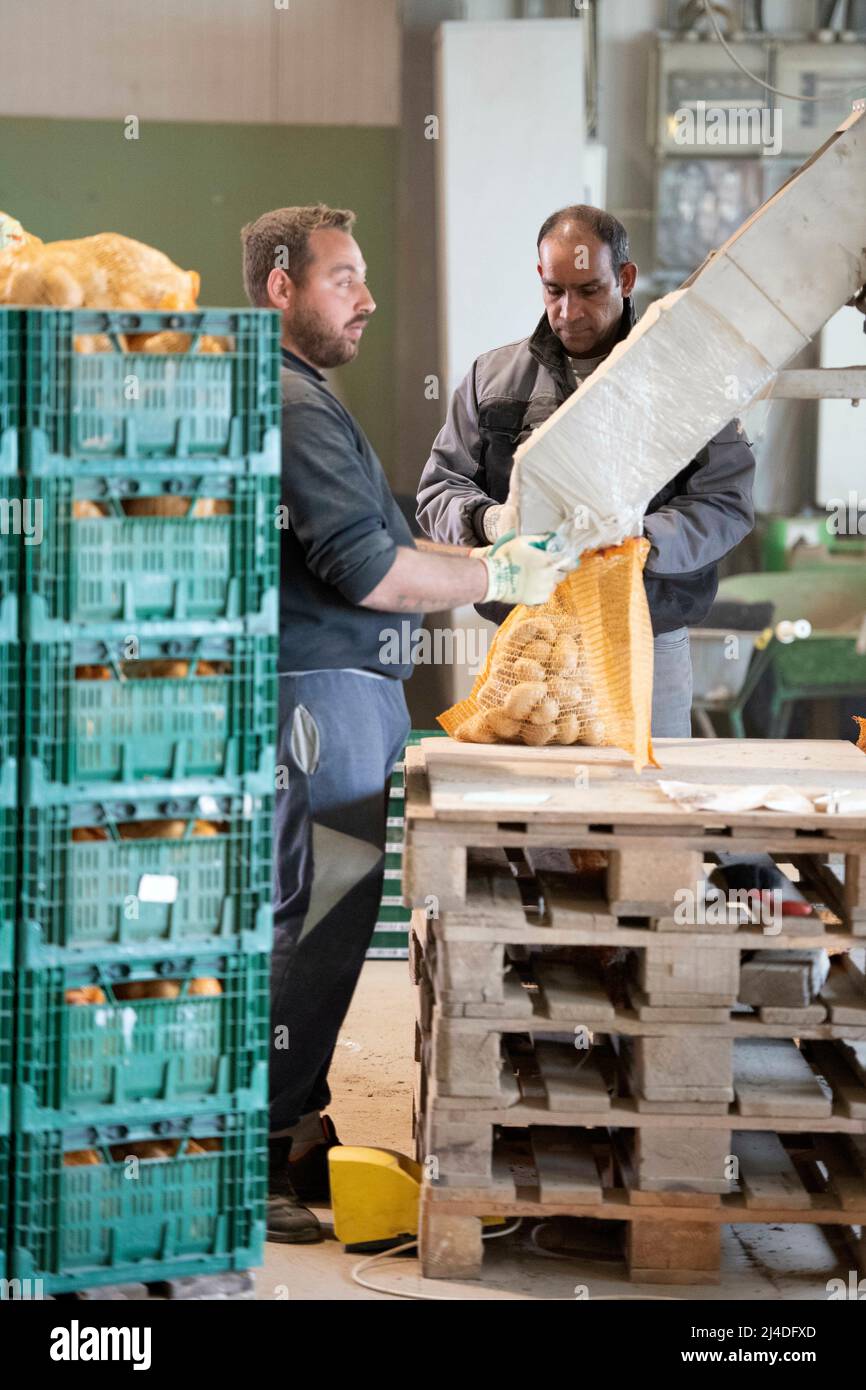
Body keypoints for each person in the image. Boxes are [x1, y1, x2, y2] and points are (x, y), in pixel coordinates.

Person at [240, 204, 565, 1243]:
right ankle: (259, 1146)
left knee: (318, 911)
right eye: (343, 278)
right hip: (317, 698)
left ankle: (291, 1125)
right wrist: (491, 572)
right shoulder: (288, 402)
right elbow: (369, 569)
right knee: (321, 913)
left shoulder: (304, 397)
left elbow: (368, 537)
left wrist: (479, 548)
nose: (367, 298)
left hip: (335, 690)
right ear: (279, 285)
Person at [416, 204, 756, 738]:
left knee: (648, 804)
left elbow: (726, 504)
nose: (569, 312)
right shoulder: (491, 378)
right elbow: (439, 485)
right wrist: (488, 521)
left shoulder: (691, 384)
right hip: (527, 645)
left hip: (648, 641)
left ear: (625, 278)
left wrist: (639, 536)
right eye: (555, 290)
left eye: (590, 290)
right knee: (528, 806)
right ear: (540, 279)